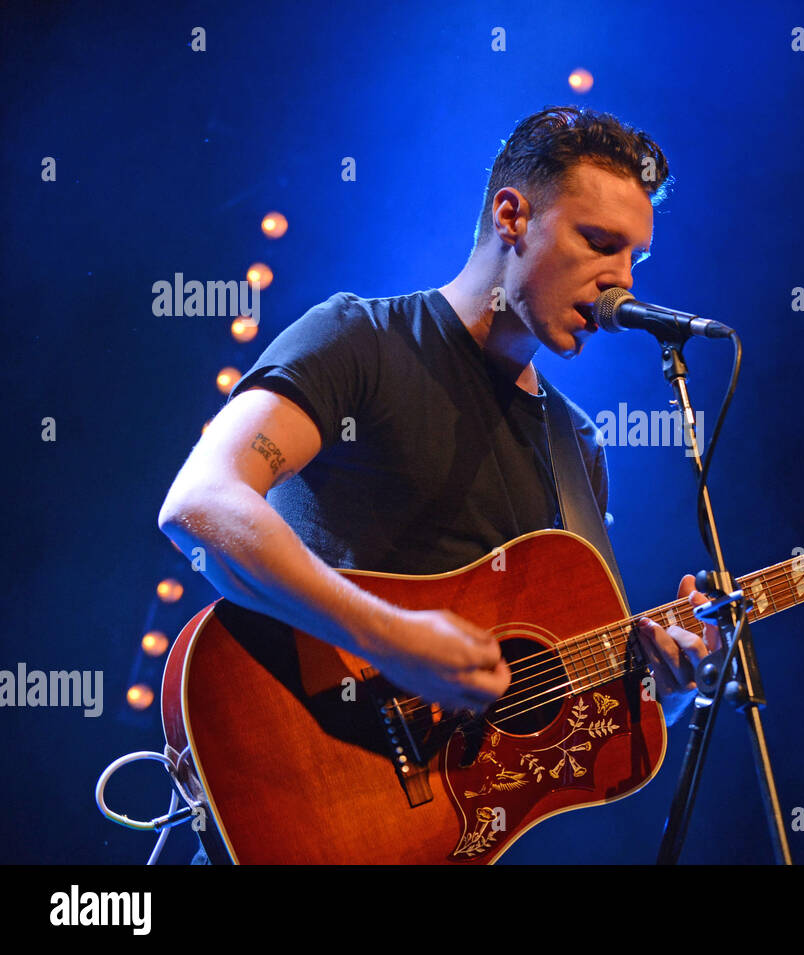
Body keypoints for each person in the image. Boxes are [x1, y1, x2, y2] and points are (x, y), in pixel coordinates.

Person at [157, 105, 720, 863]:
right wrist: (394, 639)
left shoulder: (573, 442)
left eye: (635, 260)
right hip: (298, 798)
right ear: (512, 216)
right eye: (599, 243)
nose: (620, 283)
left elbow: (562, 715)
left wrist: (670, 685)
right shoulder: (360, 339)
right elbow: (201, 501)